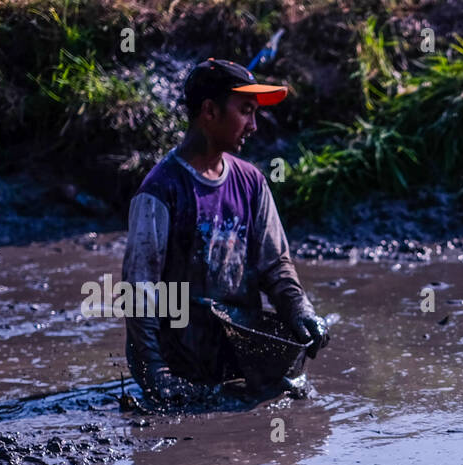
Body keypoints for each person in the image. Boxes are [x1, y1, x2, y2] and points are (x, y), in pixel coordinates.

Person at [121, 58, 328, 406]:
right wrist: (156, 373)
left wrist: (301, 311)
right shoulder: (160, 191)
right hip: (181, 361)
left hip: (238, 356)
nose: (254, 125)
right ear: (209, 111)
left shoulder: (251, 182)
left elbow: (275, 266)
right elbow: (140, 291)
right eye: (246, 111)